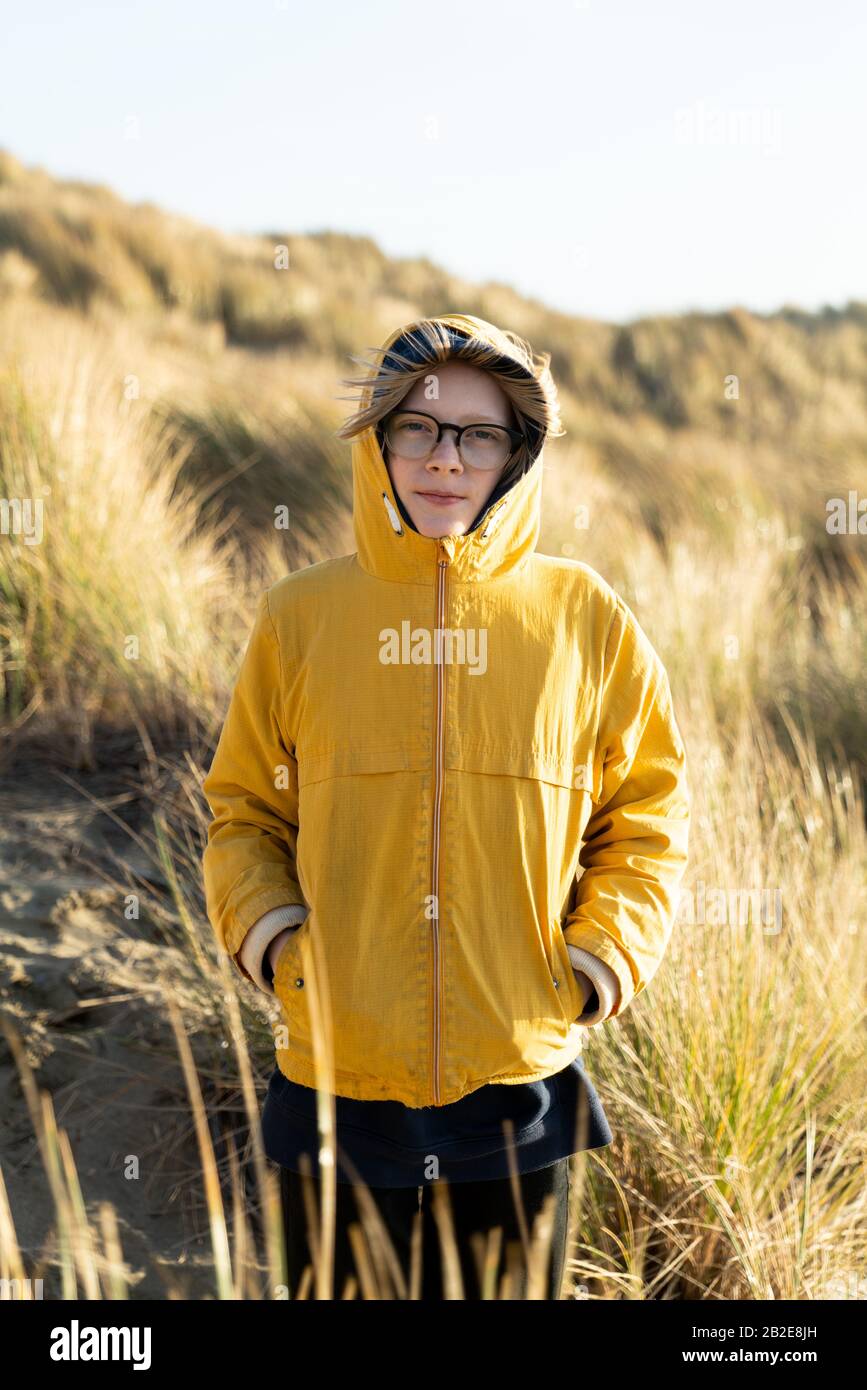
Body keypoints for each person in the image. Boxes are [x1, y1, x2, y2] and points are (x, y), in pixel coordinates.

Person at [201, 313, 690, 1300]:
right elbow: (246, 812)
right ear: (379, 443)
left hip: (522, 1080)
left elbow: (648, 818)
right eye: (417, 427)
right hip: (334, 1075)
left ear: (517, 454)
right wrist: (281, 948)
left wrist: (593, 962)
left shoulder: (585, 618)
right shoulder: (300, 617)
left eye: (477, 433)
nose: (444, 458)